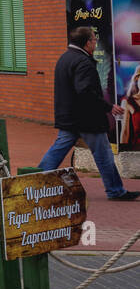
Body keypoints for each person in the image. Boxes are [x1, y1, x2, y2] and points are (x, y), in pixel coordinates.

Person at [38, 27, 140, 200]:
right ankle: (115, 191)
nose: (95, 42)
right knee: (104, 155)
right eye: (94, 40)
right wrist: (108, 107)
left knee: (57, 150)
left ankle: (33, 182)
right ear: (87, 43)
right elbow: (84, 92)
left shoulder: (65, 58)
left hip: (69, 117)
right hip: (87, 120)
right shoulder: (83, 62)